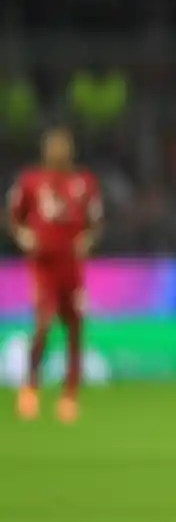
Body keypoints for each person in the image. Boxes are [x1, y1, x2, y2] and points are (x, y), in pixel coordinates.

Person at [8, 126, 103, 424]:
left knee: (75, 327)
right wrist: (22, 235)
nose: (59, 152)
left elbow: (96, 221)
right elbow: (14, 216)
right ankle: (31, 385)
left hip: (71, 265)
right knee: (43, 324)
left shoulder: (84, 183)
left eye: (64, 147)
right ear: (46, 151)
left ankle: (70, 394)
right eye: (54, 147)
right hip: (44, 264)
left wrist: (89, 239)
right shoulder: (31, 181)